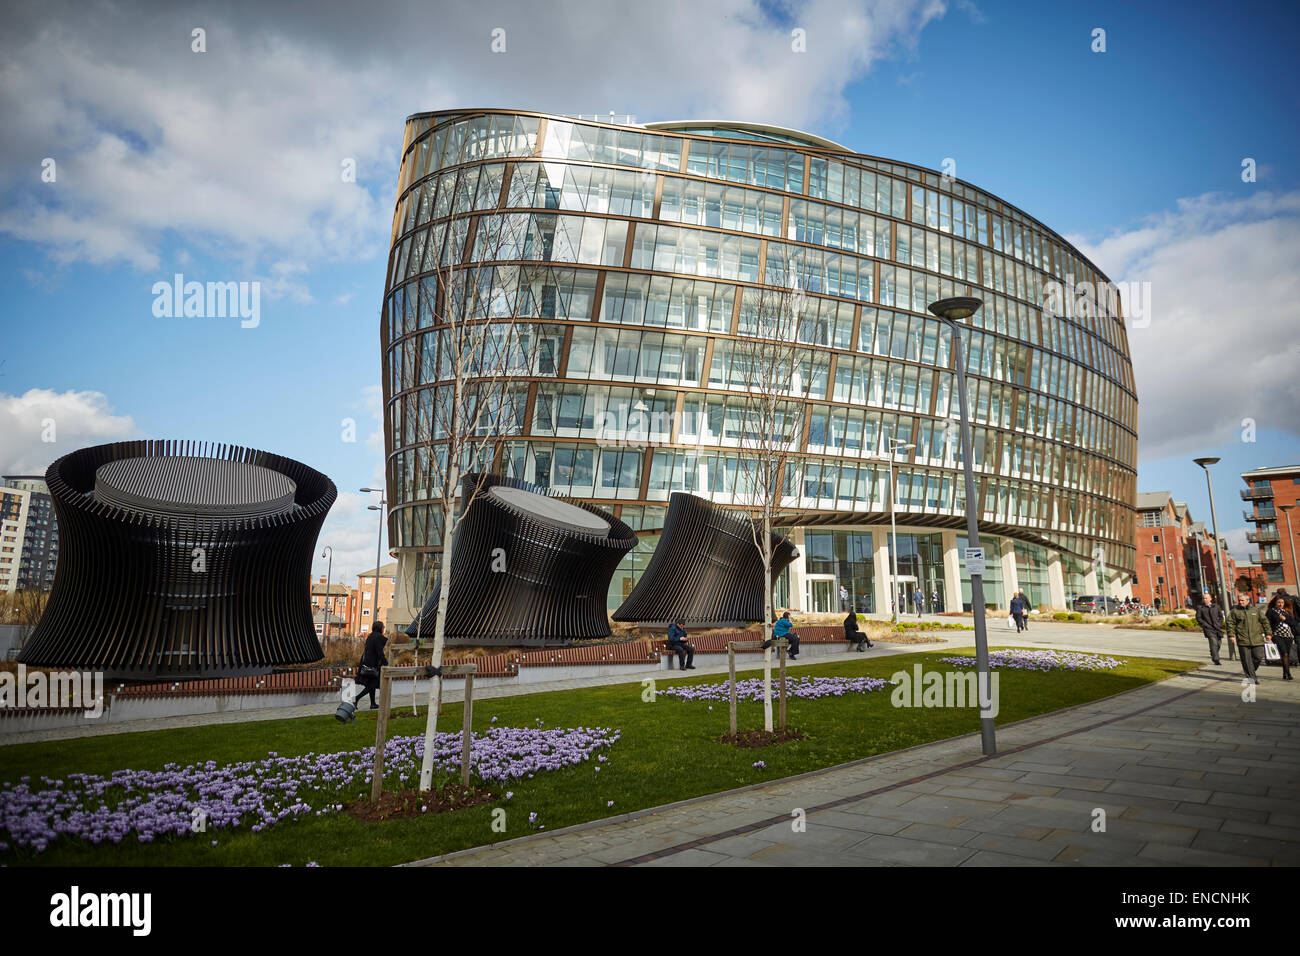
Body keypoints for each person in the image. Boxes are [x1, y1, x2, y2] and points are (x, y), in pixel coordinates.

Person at [1225, 593, 1272, 684]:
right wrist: (1231, 635)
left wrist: (1268, 633)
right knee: (1246, 661)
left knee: (1258, 657)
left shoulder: (1255, 610)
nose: (1240, 602)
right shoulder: (1235, 611)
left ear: (1248, 601)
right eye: (1239, 600)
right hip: (1243, 640)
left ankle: (1250, 671)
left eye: (1242, 600)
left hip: (1257, 639)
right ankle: (1251, 678)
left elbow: (1265, 621)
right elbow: (1230, 624)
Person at [353, 621, 388, 709]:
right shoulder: (378, 637)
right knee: (373, 684)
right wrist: (385, 662)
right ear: (380, 628)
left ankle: (373, 704)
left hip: (366, 663)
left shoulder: (371, 636)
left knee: (371, 683)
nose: (384, 628)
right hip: (374, 664)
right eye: (383, 627)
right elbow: (380, 652)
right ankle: (356, 698)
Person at [1265, 595, 1297, 681]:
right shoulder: (1271, 611)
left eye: (1282, 602)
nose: (1280, 604)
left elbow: (1293, 623)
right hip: (1277, 635)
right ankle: (1289, 674)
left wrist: (1285, 619)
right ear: (1275, 603)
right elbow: (1267, 623)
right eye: (1279, 602)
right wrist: (1268, 634)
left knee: (1286, 654)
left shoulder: (1287, 612)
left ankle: (1284, 673)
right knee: (1284, 653)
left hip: (1288, 636)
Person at [1195, 594, 1226, 666]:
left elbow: (1221, 617)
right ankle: (1216, 659)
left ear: (1210, 599)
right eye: (1203, 598)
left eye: (1206, 598)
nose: (1204, 599)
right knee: (1213, 642)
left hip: (1217, 628)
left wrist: (1219, 624)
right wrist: (1205, 625)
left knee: (1218, 643)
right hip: (1208, 629)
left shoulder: (1216, 606)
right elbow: (1198, 618)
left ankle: (1213, 652)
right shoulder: (1200, 608)